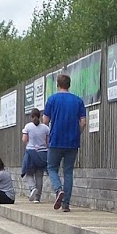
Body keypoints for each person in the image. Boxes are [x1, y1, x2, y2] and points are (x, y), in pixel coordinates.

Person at [43, 73, 87, 212]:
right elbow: (83, 122)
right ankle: (66, 204)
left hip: (56, 139)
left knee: (51, 168)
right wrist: (77, 133)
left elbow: (45, 120)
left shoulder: (52, 100)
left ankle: (58, 190)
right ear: (69, 85)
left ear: (58, 85)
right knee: (68, 171)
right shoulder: (78, 101)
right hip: (72, 142)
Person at [20, 108, 49, 202]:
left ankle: (32, 188)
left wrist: (30, 142)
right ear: (40, 116)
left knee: (28, 173)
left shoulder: (28, 127)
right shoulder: (46, 128)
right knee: (39, 176)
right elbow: (48, 142)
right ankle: (37, 198)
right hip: (42, 153)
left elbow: (24, 139)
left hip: (31, 152)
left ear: (31, 117)